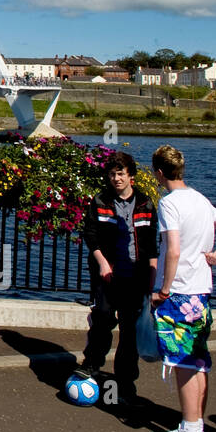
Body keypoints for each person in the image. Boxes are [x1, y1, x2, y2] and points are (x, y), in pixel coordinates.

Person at [148, 145, 216, 432]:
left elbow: (173, 250)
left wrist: (163, 289)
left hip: (178, 292)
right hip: (200, 291)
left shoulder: (169, 203)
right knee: (198, 360)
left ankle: (190, 429)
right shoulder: (201, 200)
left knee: (182, 362)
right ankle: (195, 424)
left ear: (159, 173)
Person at [76, 151, 158, 403]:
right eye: (112, 174)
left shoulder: (145, 204)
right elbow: (90, 234)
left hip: (136, 276)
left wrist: (153, 280)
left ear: (130, 176)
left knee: (129, 330)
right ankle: (91, 364)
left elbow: (152, 244)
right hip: (108, 274)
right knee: (101, 318)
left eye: (120, 174)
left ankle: (125, 380)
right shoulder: (100, 201)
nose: (116, 178)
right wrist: (102, 263)